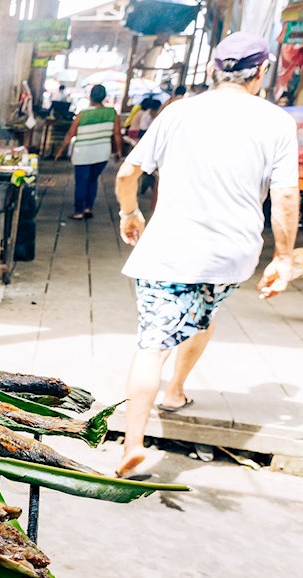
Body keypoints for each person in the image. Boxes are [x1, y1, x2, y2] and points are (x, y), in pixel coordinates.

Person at [112, 32, 299, 477]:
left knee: (152, 343)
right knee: (202, 312)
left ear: (215, 69)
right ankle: (175, 391)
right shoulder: (275, 122)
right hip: (233, 255)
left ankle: (132, 445)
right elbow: (286, 197)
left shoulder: (179, 113)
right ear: (261, 71)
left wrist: (130, 212)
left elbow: (127, 172)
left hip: (172, 251)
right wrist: (284, 257)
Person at [55, 84, 121, 220]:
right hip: (102, 154)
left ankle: (79, 211)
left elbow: (70, 134)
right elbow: (117, 134)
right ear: (104, 97)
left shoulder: (83, 114)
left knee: (81, 182)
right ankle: (88, 208)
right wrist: (118, 151)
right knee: (93, 180)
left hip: (83, 154)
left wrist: (61, 150)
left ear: (90, 96)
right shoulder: (112, 113)